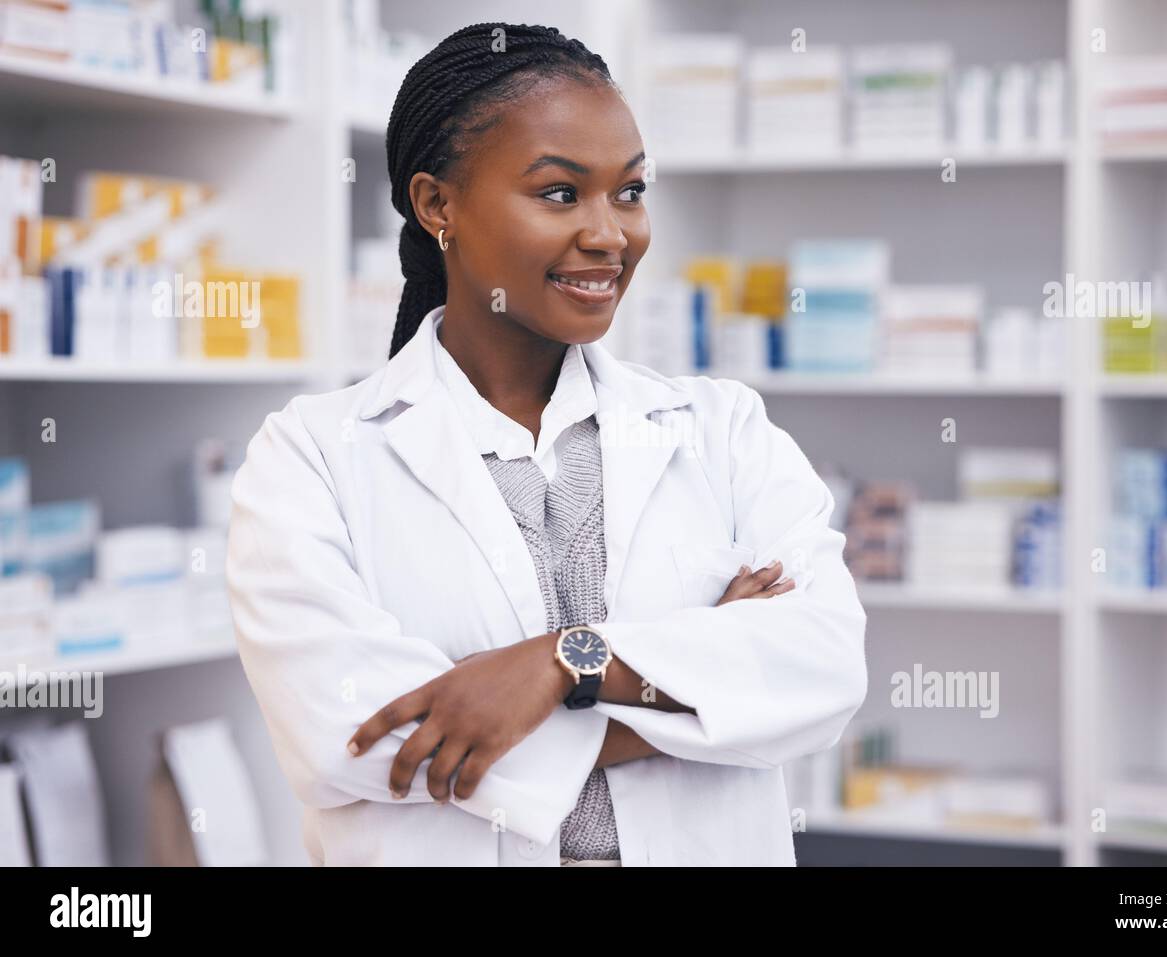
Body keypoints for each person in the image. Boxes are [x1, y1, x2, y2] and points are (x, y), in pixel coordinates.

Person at [225, 22, 868, 867]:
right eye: (561, 194)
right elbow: (354, 737)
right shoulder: (313, 456)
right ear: (437, 205)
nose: (609, 234)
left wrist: (561, 667)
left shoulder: (722, 429)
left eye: (629, 192)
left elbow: (819, 671)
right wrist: (698, 686)